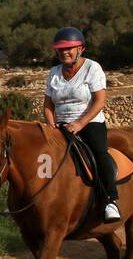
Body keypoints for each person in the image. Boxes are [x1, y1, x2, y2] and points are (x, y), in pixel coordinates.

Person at [42, 26, 120, 222]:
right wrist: (51, 126)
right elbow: (48, 105)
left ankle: (111, 200)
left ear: (80, 49)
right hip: (60, 125)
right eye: (60, 49)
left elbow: (100, 100)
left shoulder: (92, 68)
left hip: (89, 122)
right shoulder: (54, 72)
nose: (64, 52)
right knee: (43, 157)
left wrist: (80, 123)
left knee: (99, 153)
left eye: (69, 48)